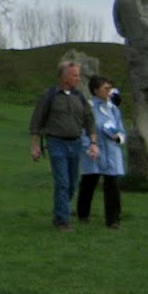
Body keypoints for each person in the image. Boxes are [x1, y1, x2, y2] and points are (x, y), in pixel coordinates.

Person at [28, 60, 100, 230]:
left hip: (75, 143)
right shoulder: (50, 95)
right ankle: (63, 221)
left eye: (78, 74)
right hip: (56, 143)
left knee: (72, 183)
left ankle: (59, 211)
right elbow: (37, 121)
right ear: (64, 77)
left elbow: (89, 120)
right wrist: (35, 146)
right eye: (75, 75)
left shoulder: (79, 96)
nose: (78, 78)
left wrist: (93, 142)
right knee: (62, 182)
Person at [77, 75, 126, 228]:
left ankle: (113, 219)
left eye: (110, 88)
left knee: (112, 185)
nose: (109, 91)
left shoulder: (114, 109)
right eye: (106, 88)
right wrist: (88, 146)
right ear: (96, 90)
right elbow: (82, 131)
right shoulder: (88, 108)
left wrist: (118, 138)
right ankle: (83, 214)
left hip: (111, 152)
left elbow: (122, 130)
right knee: (89, 183)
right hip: (94, 151)